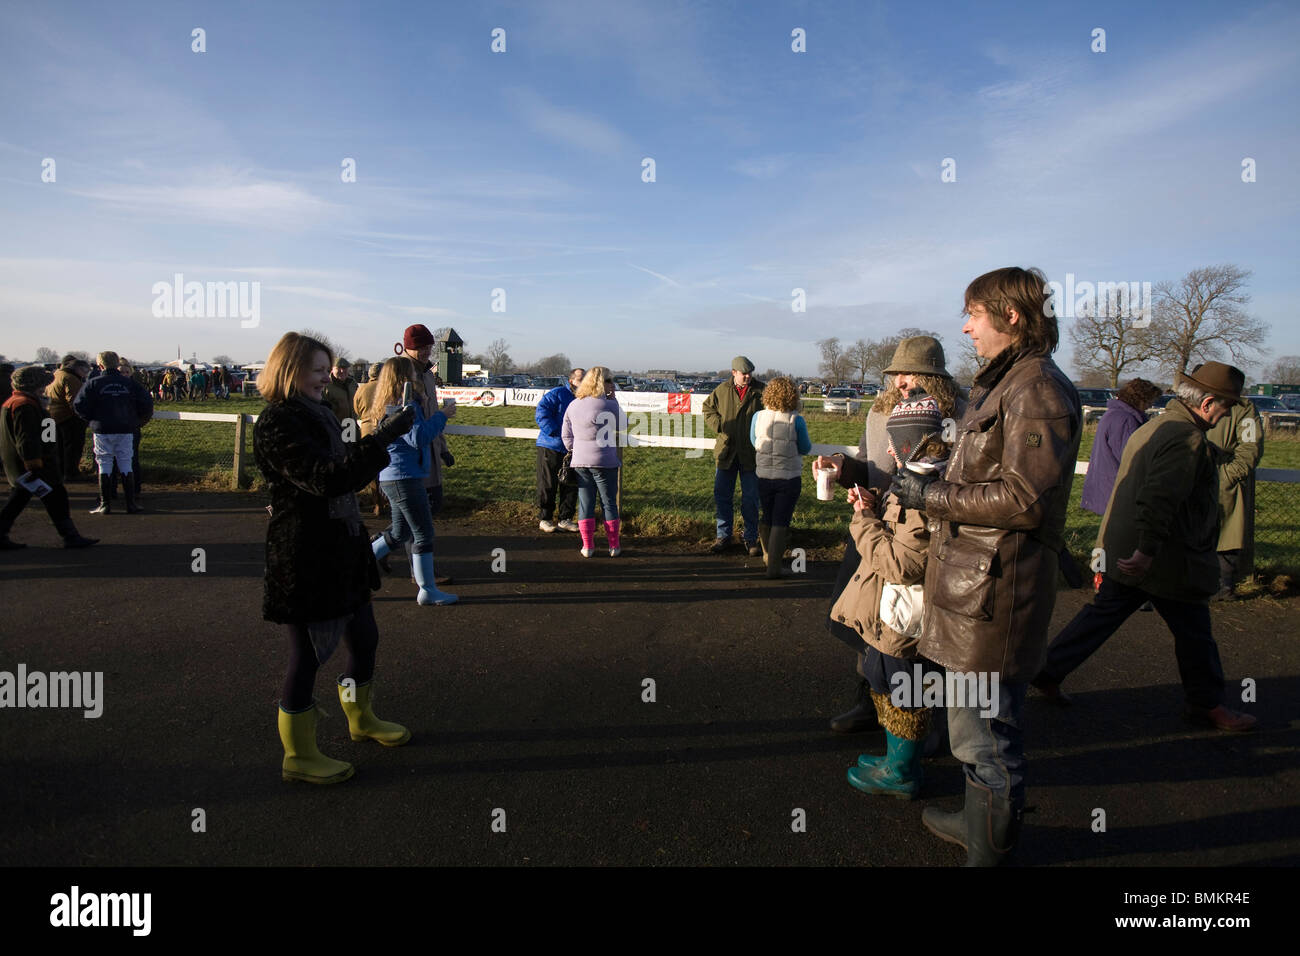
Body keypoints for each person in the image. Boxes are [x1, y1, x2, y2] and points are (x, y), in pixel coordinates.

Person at [893, 267, 1082, 866]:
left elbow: (1025, 499)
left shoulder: (1037, 390)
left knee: (988, 737)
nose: (967, 327)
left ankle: (990, 849)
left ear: (1013, 317)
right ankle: (978, 821)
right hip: (975, 585)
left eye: (974, 313)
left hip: (995, 591)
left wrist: (931, 497)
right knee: (973, 729)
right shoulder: (1007, 384)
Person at [1033, 362, 1258, 734]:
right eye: (1226, 406)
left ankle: (1048, 671)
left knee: (1101, 617)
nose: (1227, 414)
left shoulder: (1157, 426)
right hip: (1164, 560)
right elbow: (1159, 497)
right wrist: (1147, 552)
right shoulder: (1186, 438)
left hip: (1130, 551)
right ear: (1207, 404)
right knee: (1195, 632)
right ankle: (1208, 705)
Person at [253, 331, 417, 784]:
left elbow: (343, 467)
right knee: (306, 657)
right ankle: (299, 755)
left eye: (328, 369)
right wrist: (382, 438)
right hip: (306, 554)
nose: (327, 377)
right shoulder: (277, 422)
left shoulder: (319, 412)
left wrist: (381, 437)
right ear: (290, 370)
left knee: (364, 639)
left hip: (342, 546)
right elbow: (328, 479)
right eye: (318, 370)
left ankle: (361, 719)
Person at [815, 336, 964, 733]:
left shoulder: (958, 419)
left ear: (939, 380)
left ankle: (925, 727)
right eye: (897, 373)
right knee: (863, 623)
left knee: (917, 638)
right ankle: (870, 704)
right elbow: (869, 466)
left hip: (925, 540)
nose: (901, 381)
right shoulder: (879, 414)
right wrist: (841, 467)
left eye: (913, 374)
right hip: (874, 531)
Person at [832, 398, 952, 798]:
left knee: (904, 691)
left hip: (903, 615)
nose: (886, 450)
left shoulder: (924, 492)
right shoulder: (921, 480)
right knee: (888, 681)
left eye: (893, 443)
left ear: (908, 444)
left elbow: (900, 564)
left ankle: (901, 773)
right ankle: (895, 759)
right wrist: (874, 506)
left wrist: (863, 520)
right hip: (896, 611)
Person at [368, 357, 457, 605]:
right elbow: (419, 438)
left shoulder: (388, 402)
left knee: (399, 533)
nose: (417, 377)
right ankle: (427, 589)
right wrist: (442, 415)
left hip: (393, 476)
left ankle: (358, 567)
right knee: (423, 532)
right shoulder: (406, 405)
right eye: (413, 375)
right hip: (405, 477)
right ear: (404, 378)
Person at [1, 365, 97, 550]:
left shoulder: (18, 402)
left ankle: (70, 535)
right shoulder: (25, 406)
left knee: (20, 499)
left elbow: (43, 433)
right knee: (56, 497)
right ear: (34, 385)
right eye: (42, 385)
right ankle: (70, 536)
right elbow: (27, 438)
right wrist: (34, 464)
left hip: (27, 464)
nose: (45, 388)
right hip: (37, 464)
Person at [397, 325, 454, 584]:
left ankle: (382, 547)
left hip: (429, 449)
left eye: (428, 346)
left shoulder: (429, 374)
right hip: (409, 455)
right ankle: (420, 572)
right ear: (407, 346)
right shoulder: (401, 374)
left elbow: (430, 415)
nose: (425, 351)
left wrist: (443, 448)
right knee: (418, 519)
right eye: (420, 347)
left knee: (428, 510)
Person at [73, 351, 153, 515]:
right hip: (125, 429)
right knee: (125, 462)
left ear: (100, 365)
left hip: (103, 430)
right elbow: (146, 403)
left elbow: (79, 405)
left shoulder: (93, 383)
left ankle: (105, 503)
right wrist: (136, 421)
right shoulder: (129, 384)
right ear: (117, 364)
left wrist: (92, 419)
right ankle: (130, 504)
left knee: (104, 463)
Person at [749, 376, 811, 578]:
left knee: (766, 516)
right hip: (789, 478)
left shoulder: (758, 417)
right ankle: (774, 568)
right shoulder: (796, 419)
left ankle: (768, 557)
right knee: (780, 521)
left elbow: (754, 441)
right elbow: (805, 447)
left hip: (763, 475)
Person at [702, 356, 765, 555]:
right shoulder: (721, 391)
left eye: (749, 373)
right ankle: (723, 536)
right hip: (726, 453)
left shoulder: (761, 391)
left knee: (750, 499)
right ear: (734, 373)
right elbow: (707, 408)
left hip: (751, 454)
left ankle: (751, 538)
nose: (747, 376)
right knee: (722, 496)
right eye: (743, 373)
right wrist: (720, 425)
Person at [1206, 390, 1264, 600]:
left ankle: (1224, 584)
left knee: (1227, 531)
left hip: (1222, 476)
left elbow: (1250, 446)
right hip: (1192, 475)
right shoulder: (1187, 402)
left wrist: (1229, 474)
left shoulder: (1241, 407)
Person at [562, 366, 624, 557]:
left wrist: (576, 449)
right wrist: (614, 399)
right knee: (609, 504)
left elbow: (566, 435)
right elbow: (623, 424)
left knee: (585, 504)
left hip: (580, 461)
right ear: (601, 383)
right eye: (609, 380)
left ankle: (587, 546)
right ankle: (614, 545)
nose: (612, 384)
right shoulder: (609, 405)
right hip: (605, 461)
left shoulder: (574, 405)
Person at [1081, 378, 1162, 516]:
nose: (1150, 406)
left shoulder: (1113, 414)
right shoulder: (1126, 420)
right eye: (1149, 401)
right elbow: (1131, 459)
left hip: (1105, 487)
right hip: (1117, 490)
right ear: (1139, 399)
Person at [535, 367, 584, 533]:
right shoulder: (556, 394)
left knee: (570, 484)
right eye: (580, 378)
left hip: (573, 448)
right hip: (551, 445)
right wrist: (557, 432)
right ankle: (545, 517)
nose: (583, 382)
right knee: (548, 483)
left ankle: (565, 518)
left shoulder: (585, 398)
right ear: (571, 381)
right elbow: (541, 412)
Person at [46, 357, 90, 482]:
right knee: (72, 447)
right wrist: (83, 416)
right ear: (79, 369)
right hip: (69, 417)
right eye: (85, 372)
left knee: (59, 447)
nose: (86, 375)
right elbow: (75, 401)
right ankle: (71, 473)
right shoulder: (71, 379)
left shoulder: (57, 374)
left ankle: (61, 471)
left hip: (53, 415)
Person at [354, 362, 388, 517]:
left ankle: (377, 503)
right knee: (386, 465)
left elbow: (356, 408)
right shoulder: (386, 388)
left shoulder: (361, 389)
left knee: (372, 470)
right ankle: (389, 500)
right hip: (384, 429)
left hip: (366, 429)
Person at [323, 357, 357, 424]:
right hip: (334, 427)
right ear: (332, 369)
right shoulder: (325, 386)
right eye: (338, 368)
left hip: (352, 427)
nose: (342, 371)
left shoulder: (352, 383)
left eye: (345, 368)